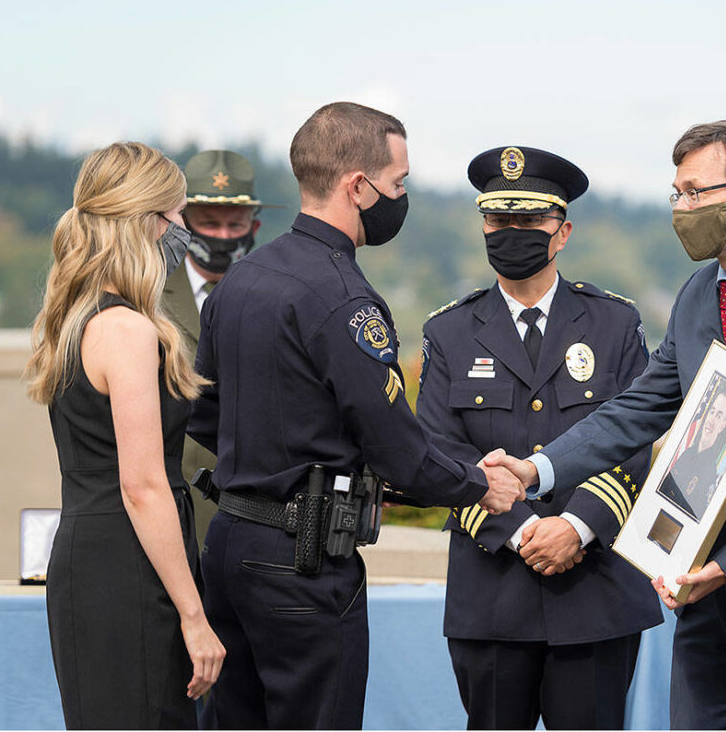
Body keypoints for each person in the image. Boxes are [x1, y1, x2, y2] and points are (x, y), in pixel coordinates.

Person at [486, 121, 726, 729]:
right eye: (677, 194)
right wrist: (538, 468)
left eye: (696, 192)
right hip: (702, 588)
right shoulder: (699, 294)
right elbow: (640, 405)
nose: (682, 209)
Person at [187, 103, 523, 729]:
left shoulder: (240, 280)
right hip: (303, 560)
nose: (401, 196)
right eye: (397, 182)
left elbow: (204, 416)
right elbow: (396, 447)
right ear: (357, 186)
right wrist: (481, 483)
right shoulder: (344, 299)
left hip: (229, 546)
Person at [416, 145, 664, 729]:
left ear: (562, 231)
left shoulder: (614, 322)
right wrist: (525, 528)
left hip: (595, 586)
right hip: (492, 589)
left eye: (529, 221)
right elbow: (439, 450)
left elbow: (634, 437)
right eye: (499, 221)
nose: (512, 233)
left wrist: (575, 528)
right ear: (483, 225)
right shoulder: (448, 331)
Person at [24, 141, 226, 728]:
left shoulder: (75, 320)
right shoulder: (126, 330)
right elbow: (142, 485)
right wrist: (193, 614)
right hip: (129, 571)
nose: (185, 231)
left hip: (95, 559)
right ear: (145, 223)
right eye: (178, 216)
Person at [163, 149, 265, 550]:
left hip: (257, 512)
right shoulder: (148, 292)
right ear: (184, 224)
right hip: (176, 508)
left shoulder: (277, 294)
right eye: (210, 223)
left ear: (254, 225)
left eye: (233, 224)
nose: (223, 236)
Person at [658, 387, 726, 521]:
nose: (711, 420)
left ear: (722, 426)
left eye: (718, 415)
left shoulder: (710, 473)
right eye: (712, 412)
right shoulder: (686, 454)